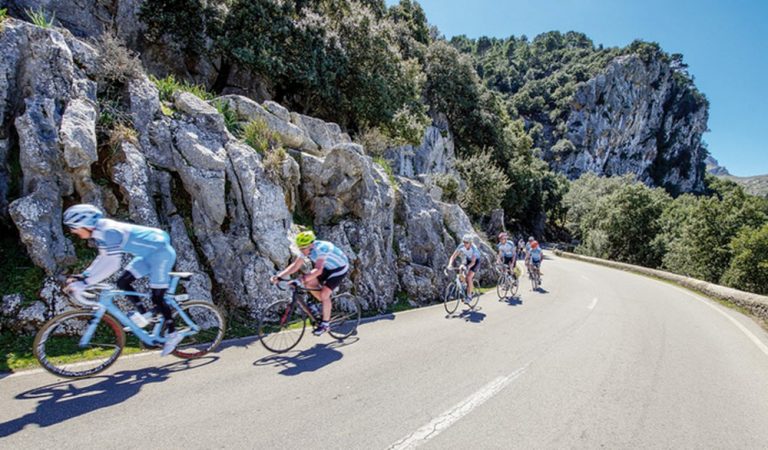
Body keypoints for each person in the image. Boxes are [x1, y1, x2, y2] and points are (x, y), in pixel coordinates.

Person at [62, 204, 183, 356]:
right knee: (122, 282)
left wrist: (86, 283)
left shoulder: (109, 231)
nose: (72, 231)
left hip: (161, 255)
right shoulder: (100, 232)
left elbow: (113, 264)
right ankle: (146, 315)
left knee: (157, 297)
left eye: (73, 227)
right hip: (146, 255)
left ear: (85, 224)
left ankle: (173, 334)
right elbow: (103, 258)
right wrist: (84, 276)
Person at [270, 231, 349, 336]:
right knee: (309, 283)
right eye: (300, 248)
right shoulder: (305, 248)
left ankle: (325, 324)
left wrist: (300, 280)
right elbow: (296, 265)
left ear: (312, 244)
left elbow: (318, 270)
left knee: (324, 294)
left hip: (339, 268)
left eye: (304, 248)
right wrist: (280, 276)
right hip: (327, 267)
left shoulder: (322, 248)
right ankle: (322, 304)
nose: (302, 250)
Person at [447, 234, 481, 303]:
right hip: (468, 259)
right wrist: (450, 264)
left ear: (470, 243)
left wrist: (467, 267)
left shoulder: (474, 249)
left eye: (466, 242)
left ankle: (469, 295)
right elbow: (453, 256)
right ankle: (465, 286)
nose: (465, 243)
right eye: (464, 242)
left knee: (469, 277)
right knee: (461, 269)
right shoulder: (461, 246)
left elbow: (473, 262)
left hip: (475, 261)